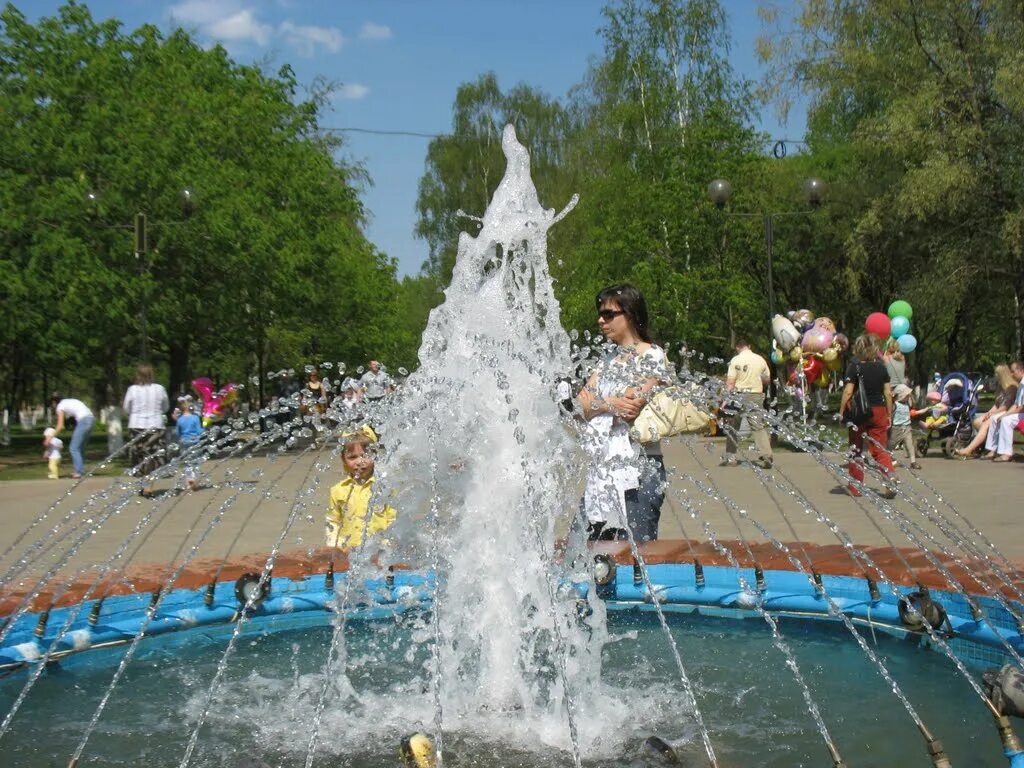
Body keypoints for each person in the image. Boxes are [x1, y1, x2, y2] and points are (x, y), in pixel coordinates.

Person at [577, 284, 668, 543]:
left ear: (629, 314)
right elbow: (578, 406)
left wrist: (597, 403)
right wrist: (607, 404)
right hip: (603, 469)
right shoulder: (606, 361)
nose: (600, 320)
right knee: (583, 549)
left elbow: (631, 407)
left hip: (640, 467)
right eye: (600, 313)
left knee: (636, 554)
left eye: (608, 314)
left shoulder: (652, 355)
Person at [839, 334, 896, 498]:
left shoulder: (854, 367)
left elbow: (848, 391)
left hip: (859, 412)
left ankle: (856, 488)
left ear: (858, 349)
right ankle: (889, 477)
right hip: (879, 410)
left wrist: (842, 411)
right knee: (879, 449)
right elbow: (888, 393)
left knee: (856, 449)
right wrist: (889, 413)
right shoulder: (881, 367)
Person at [326, 425, 397, 548]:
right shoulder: (338, 490)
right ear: (343, 459)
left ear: (375, 455)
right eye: (352, 457)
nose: (360, 462)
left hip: (380, 551)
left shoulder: (386, 488)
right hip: (348, 552)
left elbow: (393, 521)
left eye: (366, 455)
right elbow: (333, 522)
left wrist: (387, 546)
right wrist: (335, 547)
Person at [721, 340, 773, 469]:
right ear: (749, 346)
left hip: (738, 394)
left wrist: (725, 400)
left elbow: (731, 382)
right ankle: (766, 454)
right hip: (755, 394)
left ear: (738, 347)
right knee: (758, 426)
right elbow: (766, 379)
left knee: (733, 425)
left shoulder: (735, 360)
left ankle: (731, 457)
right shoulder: (760, 359)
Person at [122, 364, 170, 496]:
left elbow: (126, 407)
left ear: (137, 375)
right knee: (153, 456)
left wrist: (135, 413)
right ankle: (149, 486)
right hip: (156, 425)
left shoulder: (132, 389)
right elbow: (165, 407)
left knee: (139, 455)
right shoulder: (160, 389)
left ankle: (143, 484)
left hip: (136, 424)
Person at [957, 364, 1019, 457]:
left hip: (1007, 412)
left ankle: (969, 449)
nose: (995, 376)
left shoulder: (1012, 388)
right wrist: (988, 412)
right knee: (977, 421)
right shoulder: (1000, 387)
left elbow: (1005, 407)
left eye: (997, 374)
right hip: (999, 411)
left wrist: (991, 414)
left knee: (985, 425)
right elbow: (997, 404)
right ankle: (987, 446)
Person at [982, 360, 1024, 462]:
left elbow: (1021, 407)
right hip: (1020, 412)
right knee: (995, 418)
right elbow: (1016, 404)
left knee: (1006, 420)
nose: (1011, 374)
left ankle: (1006, 453)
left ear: (1021, 370)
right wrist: (1005, 414)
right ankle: (993, 449)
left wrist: (1006, 415)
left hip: (1022, 413)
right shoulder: (1021, 385)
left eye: (1013, 371)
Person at [51, 394, 94, 479]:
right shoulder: (69, 401)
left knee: (73, 448)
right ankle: (80, 470)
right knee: (80, 448)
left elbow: (60, 426)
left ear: (54, 403)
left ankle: (78, 472)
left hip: (84, 421)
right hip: (91, 419)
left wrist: (51, 437)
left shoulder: (60, 406)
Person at [175, 399, 205, 492]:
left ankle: (189, 480)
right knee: (196, 461)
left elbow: (177, 432)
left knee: (187, 462)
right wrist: (204, 430)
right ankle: (194, 479)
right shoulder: (195, 418)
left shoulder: (179, 420)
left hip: (184, 441)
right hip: (195, 441)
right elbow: (199, 431)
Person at [889, 384, 920, 469]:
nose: (908, 396)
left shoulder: (907, 403)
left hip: (907, 427)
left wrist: (910, 395)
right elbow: (890, 415)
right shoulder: (895, 404)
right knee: (891, 444)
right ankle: (887, 458)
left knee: (910, 445)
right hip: (896, 428)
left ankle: (913, 462)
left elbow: (912, 402)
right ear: (900, 396)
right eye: (906, 395)